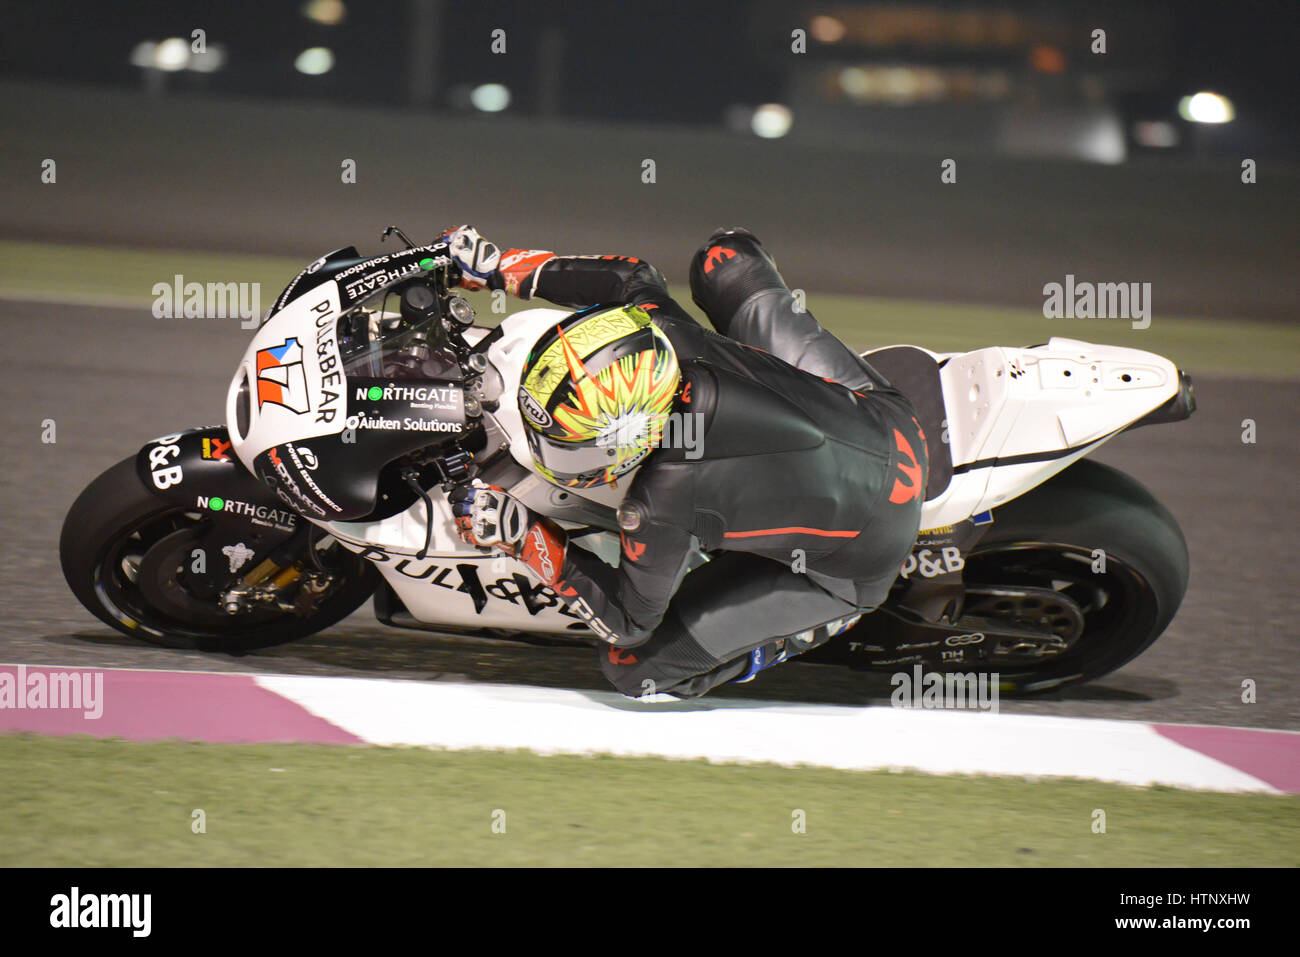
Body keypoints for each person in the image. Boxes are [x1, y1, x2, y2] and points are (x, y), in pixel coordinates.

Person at [443, 224, 929, 698]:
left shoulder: (661, 499)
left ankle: (810, 628)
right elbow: (630, 277)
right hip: (888, 419)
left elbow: (629, 623)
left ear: (630, 438)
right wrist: (499, 269)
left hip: (859, 559)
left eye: (569, 443)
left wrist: (525, 536)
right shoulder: (661, 328)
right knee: (725, 257)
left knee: (634, 671)